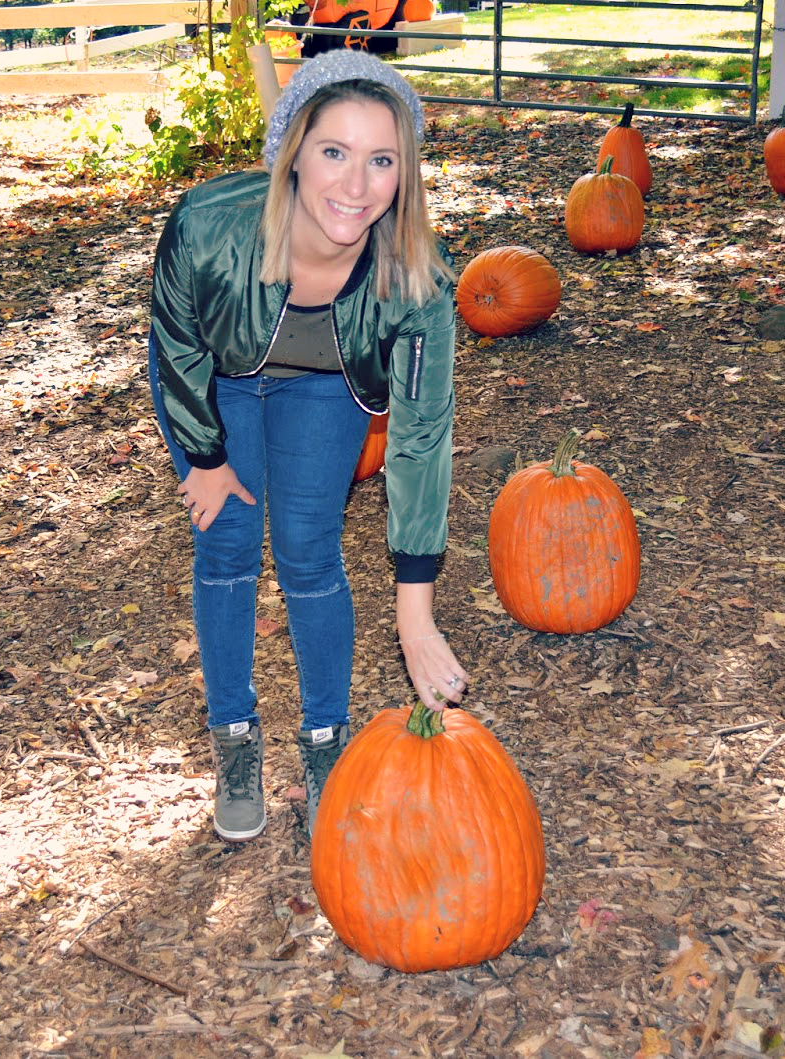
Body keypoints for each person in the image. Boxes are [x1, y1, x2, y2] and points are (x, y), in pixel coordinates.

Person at [148, 49, 468, 843]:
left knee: (309, 552)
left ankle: (327, 740)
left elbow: (422, 438)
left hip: (324, 386)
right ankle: (234, 735)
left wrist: (416, 613)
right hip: (219, 379)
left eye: (380, 160)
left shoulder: (418, 282)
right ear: (294, 153)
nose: (354, 187)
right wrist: (206, 457)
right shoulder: (208, 225)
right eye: (334, 152)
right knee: (224, 545)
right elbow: (176, 343)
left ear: (405, 175)